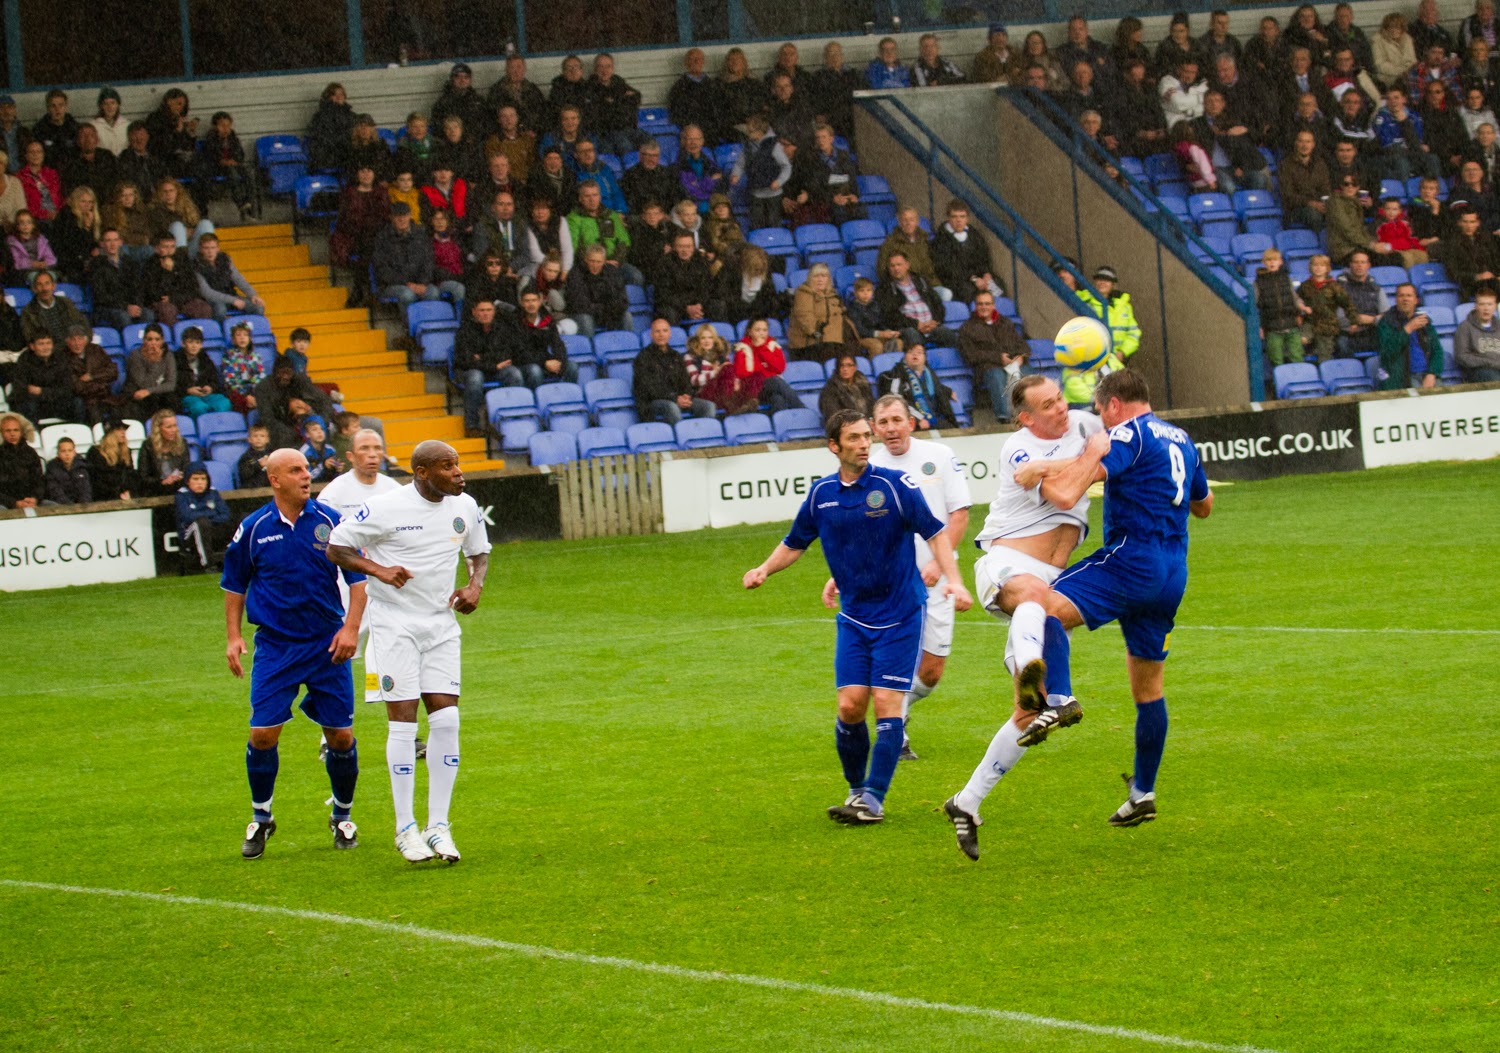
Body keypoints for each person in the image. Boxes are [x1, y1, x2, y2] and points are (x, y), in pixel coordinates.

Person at [999, 368, 1212, 828]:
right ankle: (1142, 793)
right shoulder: (1181, 438)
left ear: (1114, 405)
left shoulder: (1127, 434)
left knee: (1041, 603)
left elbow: (1070, 488)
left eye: (1100, 410)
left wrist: (1043, 468)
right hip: (1173, 571)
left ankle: (1059, 697)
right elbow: (1204, 505)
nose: (1099, 420)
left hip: (1131, 560)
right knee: (1148, 689)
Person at [742, 409, 971, 825]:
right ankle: (855, 791)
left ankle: (873, 800)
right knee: (850, 706)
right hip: (854, 617)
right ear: (834, 446)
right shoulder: (822, 494)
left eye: (867, 435)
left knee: (886, 703)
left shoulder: (895, 486)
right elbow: (795, 542)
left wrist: (953, 580)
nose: (865, 443)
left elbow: (936, 532)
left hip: (901, 613)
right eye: (854, 437)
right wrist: (764, 569)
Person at [327, 440, 491, 863]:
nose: (458, 472)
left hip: (441, 623)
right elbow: (336, 547)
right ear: (421, 472)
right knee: (403, 724)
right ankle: (405, 828)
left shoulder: (465, 506)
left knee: (448, 720)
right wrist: (379, 569)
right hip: (394, 625)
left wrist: (474, 586)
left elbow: (479, 553)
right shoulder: (386, 507)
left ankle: (439, 826)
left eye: (457, 464)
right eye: (447, 466)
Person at [222, 447, 366, 858]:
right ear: (275, 480)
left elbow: (358, 580)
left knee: (340, 736)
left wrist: (350, 628)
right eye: (296, 470)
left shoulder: (331, 522)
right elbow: (234, 584)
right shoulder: (253, 528)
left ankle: (342, 816)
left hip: (327, 645)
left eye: (306, 469)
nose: (306, 476)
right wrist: (233, 636)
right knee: (262, 733)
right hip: (276, 647)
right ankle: (261, 817)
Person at [866, 395, 971, 761]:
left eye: (897, 420)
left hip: (937, 579)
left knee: (931, 672)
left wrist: (939, 566)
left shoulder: (939, 456)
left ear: (910, 423)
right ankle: (893, 725)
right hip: (891, 583)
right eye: (883, 422)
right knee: (894, 656)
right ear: (874, 428)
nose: (891, 428)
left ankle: (896, 705)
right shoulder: (870, 469)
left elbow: (959, 515)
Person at [957, 289, 1029, 418]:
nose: (984, 307)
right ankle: (1005, 418)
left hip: (1012, 364)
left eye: (987, 303)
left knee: (1029, 373)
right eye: (980, 304)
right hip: (987, 368)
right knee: (996, 376)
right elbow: (970, 355)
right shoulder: (967, 328)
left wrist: (1020, 356)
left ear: (993, 305)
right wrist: (998, 358)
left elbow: (1023, 344)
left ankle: (1030, 413)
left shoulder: (1005, 323)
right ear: (975, 306)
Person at [455, 299, 521, 434]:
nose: (485, 314)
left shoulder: (502, 329)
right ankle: (472, 425)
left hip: (494, 368)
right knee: (475, 377)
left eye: (489, 310)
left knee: (514, 373)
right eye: (482, 310)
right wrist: (493, 365)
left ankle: (509, 419)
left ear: (494, 312)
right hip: (470, 370)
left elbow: (506, 354)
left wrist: (481, 357)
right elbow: (466, 361)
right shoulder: (464, 331)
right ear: (474, 312)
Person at [633, 317, 714, 424]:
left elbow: (685, 380)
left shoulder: (675, 355)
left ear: (670, 334)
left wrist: (686, 395)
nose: (661, 334)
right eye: (657, 331)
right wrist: (675, 398)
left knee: (708, 406)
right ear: (651, 334)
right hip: (654, 402)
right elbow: (649, 388)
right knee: (672, 408)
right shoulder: (643, 357)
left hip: (677, 399)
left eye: (665, 331)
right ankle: (680, 433)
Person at [877, 253, 957, 349]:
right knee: (912, 336)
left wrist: (935, 321)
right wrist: (916, 324)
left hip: (931, 325)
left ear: (907, 265)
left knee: (949, 335)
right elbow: (890, 316)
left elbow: (937, 303)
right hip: (909, 328)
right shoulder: (885, 288)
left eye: (899, 264)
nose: (896, 268)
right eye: (892, 266)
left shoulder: (920, 280)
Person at [931, 200, 1001, 305]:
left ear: (967, 218)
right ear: (948, 218)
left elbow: (984, 257)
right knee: (968, 292)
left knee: (998, 286)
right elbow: (948, 269)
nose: (958, 220)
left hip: (978, 277)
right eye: (954, 217)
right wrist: (973, 279)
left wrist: (986, 273)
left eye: (962, 216)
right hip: (956, 281)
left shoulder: (974, 234)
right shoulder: (940, 240)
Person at [1375, 283, 1444, 389]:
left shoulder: (1424, 320)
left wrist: (1432, 374)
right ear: (1396, 300)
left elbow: (1437, 350)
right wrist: (1408, 329)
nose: (1405, 299)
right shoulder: (1386, 322)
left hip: (1428, 375)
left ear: (1416, 300)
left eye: (1409, 296)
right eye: (1401, 296)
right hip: (1402, 378)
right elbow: (1387, 353)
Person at [726, 318, 799, 414]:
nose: (762, 333)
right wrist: (765, 367)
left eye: (765, 330)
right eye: (757, 330)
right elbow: (741, 373)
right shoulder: (742, 348)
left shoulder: (772, 345)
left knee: (778, 399)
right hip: (752, 389)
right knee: (775, 380)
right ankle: (801, 408)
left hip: (769, 389)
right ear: (750, 332)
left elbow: (779, 368)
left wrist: (763, 350)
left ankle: (782, 421)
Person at [141, 233, 213, 326]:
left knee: (203, 308)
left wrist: (174, 298)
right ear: (157, 248)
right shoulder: (150, 265)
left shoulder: (183, 261)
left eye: (172, 247)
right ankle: (173, 334)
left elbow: (193, 287)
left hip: (182, 299)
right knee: (168, 310)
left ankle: (200, 333)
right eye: (165, 247)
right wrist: (166, 272)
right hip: (162, 303)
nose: (169, 250)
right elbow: (155, 294)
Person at [1256, 248, 1312, 368]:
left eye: (1275, 259)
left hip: (1291, 324)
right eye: (1269, 260)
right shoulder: (1258, 282)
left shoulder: (1286, 278)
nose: (1272, 262)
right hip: (1272, 328)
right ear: (1263, 262)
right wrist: (1260, 326)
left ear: (1280, 261)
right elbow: (1255, 305)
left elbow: (1294, 298)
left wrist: (1302, 307)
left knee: (1297, 356)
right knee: (1276, 359)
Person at [1298, 253, 1356, 361]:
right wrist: (1299, 314)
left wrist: (1353, 321)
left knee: (1324, 355)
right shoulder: (1305, 285)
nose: (1318, 268)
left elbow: (1347, 304)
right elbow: (1297, 301)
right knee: (1300, 341)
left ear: (1327, 268)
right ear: (1310, 267)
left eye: (1322, 265)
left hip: (1327, 325)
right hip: (1309, 322)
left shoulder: (1334, 286)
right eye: (1315, 265)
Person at [194, 233, 265, 322]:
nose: (210, 252)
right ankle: (221, 330)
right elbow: (206, 292)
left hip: (231, 295)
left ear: (218, 248)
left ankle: (248, 330)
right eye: (206, 248)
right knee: (220, 310)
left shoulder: (225, 260)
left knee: (258, 307)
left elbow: (238, 279)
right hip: (211, 300)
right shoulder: (196, 266)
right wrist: (232, 300)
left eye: (213, 248)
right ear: (200, 249)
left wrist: (253, 295)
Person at [563, 243, 630, 336]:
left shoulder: (612, 272)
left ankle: (626, 342)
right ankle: (589, 344)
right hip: (584, 313)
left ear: (604, 261)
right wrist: (605, 309)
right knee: (586, 320)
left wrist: (609, 310)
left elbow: (622, 300)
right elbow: (578, 304)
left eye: (599, 262)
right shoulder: (575, 273)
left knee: (626, 316)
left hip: (606, 313)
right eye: (592, 261)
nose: (595, 265)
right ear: (586, 259)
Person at [176, 460, 232, 571]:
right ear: (187, 481)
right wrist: (211, 514)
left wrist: (206, 518)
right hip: (189, 536)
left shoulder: (213, 492)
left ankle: (241, 560)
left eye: (203, 479)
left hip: (212, 529)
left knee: (241, 519)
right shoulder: (182, 495)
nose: (200, 483)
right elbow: (187, 516)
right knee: (201, 523)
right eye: (195, 479)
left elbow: (226, 514)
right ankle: (208, 565)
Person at [655, 231, 720, 325]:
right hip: (676, 306)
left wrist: (699, 305)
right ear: (674, 247)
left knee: (718, 306)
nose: (685, 250)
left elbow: (707, 287)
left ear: (693, 248)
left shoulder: (701, 261)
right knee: (669, 312)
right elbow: (664, 294)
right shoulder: (665, 263)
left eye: (688, 246)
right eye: (681, 246)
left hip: (698, 305)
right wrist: (686, 308)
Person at [789, 263, 850, 363]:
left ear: (828, 279)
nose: (820, 279)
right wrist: (816, 332)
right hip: (809, 342)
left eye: (823, 276)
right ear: (810, 278)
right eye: (816, 276)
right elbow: (804, 316)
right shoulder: (803, 292)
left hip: (832, 340)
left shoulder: (833, 294)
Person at [13, 332, 77, 422]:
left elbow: (67, 387)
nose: (46, 347)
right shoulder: (24, 360)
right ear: (32, 346)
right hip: (36, 402)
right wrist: (48, 392)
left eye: (48, 343)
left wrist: (42, 391)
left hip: (56, 400)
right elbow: (21, 388)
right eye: (41, 344)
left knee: (77, 402)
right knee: (27, 405)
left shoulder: (61, 358)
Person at [62, 323, 118, 424]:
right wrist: (102, 385)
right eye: (73, 340)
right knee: (93, 412)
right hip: (85, 399)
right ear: (67, 341)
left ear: (86, 340)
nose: (77, 343)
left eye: (80, 339)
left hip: (104, 396)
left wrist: (92, 376)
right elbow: (76, 386)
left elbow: (113, 371)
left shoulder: (96, 350)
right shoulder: (63, 358)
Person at [174, 325, 231, 417]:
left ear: (201, 345)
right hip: (186, 395)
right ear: (183, 343)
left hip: (206, 394)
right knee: (199, 407)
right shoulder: (175, 359)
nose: (194, 346)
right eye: (190, 342)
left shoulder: (205, 358)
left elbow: (214, 380)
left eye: (197, 343)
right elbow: (172, 384)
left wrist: (210, 388)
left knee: (224, 403)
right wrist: (187, 390)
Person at [124, 323, 178, 420]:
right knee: (151, 401)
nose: (153, 343)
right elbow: (144, 384)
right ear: (144, 340)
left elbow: (171, 384)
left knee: (172, 400)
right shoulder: (135, 356)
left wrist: (150, 391)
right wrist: (155, 362)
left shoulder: (168, 355)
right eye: (149, 339)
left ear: (162, 340)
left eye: (157, 339)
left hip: (155, 392)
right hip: (137, 393)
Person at [85, 417, 139, 500]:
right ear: (110, 433)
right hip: (104, 499)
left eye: (124, 429)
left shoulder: (126, 452)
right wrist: (118, 493)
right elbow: (97, 482)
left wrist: (128, 492)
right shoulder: (96, 453)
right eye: (118, 429)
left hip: (126, 496)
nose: (123, 432)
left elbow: (131, 476)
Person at [308, 83, 357, 174]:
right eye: (334, 94)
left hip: (347, 153)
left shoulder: (351, 115)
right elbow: (323, 139)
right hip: (330, 155)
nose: (339, 97)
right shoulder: (321, 116)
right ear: (328, 97)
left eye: (341, 94)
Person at [1454, 284, 1500, 379]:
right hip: (1478, 370)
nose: (1486, 308)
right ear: (1476, 306)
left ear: (1495, 306)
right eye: (1482, 304)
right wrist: (1489, 362)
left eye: (1490, 304)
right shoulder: (1465, 327)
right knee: (1492, 377)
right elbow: (1462, 356)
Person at [0, 412, 45, 508]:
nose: (12, 434)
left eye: (16, 430)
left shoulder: (31, 453)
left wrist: (35, 498)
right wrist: (14, 503)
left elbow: (39, 481)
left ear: (21, 432)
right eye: (8, 431)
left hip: (32, 502)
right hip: (5, 505)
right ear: (2, 433)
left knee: (53, 506)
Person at [818, 351, 873, 422]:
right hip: (846, 425)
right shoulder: (830, 389)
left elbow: (871, 405)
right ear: (838, 368)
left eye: (849, 365)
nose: (845, 369)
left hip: (866, 422)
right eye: (841, 365)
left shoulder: (863, 383)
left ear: (855, 367)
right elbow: (833, 415)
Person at [45, 435, 90, 504]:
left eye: (70, 450)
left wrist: (83, 505)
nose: (67, 454)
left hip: (82, 505)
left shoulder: (82, 466)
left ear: (74, 452)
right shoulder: (52, 468)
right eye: (63, 451)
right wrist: (70, 506)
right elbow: (54, 491)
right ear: (58, 453)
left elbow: (86, 490)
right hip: (61, 505)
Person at [236, 423, 273, 489]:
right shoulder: (246, 457)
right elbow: (244, 474)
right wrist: (259, 465)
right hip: (253, 489)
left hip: (270, 488)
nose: (258, 438)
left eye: (262, 436)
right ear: (249, 439)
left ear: (267, 439)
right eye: (255, 436)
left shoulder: (272, 455)